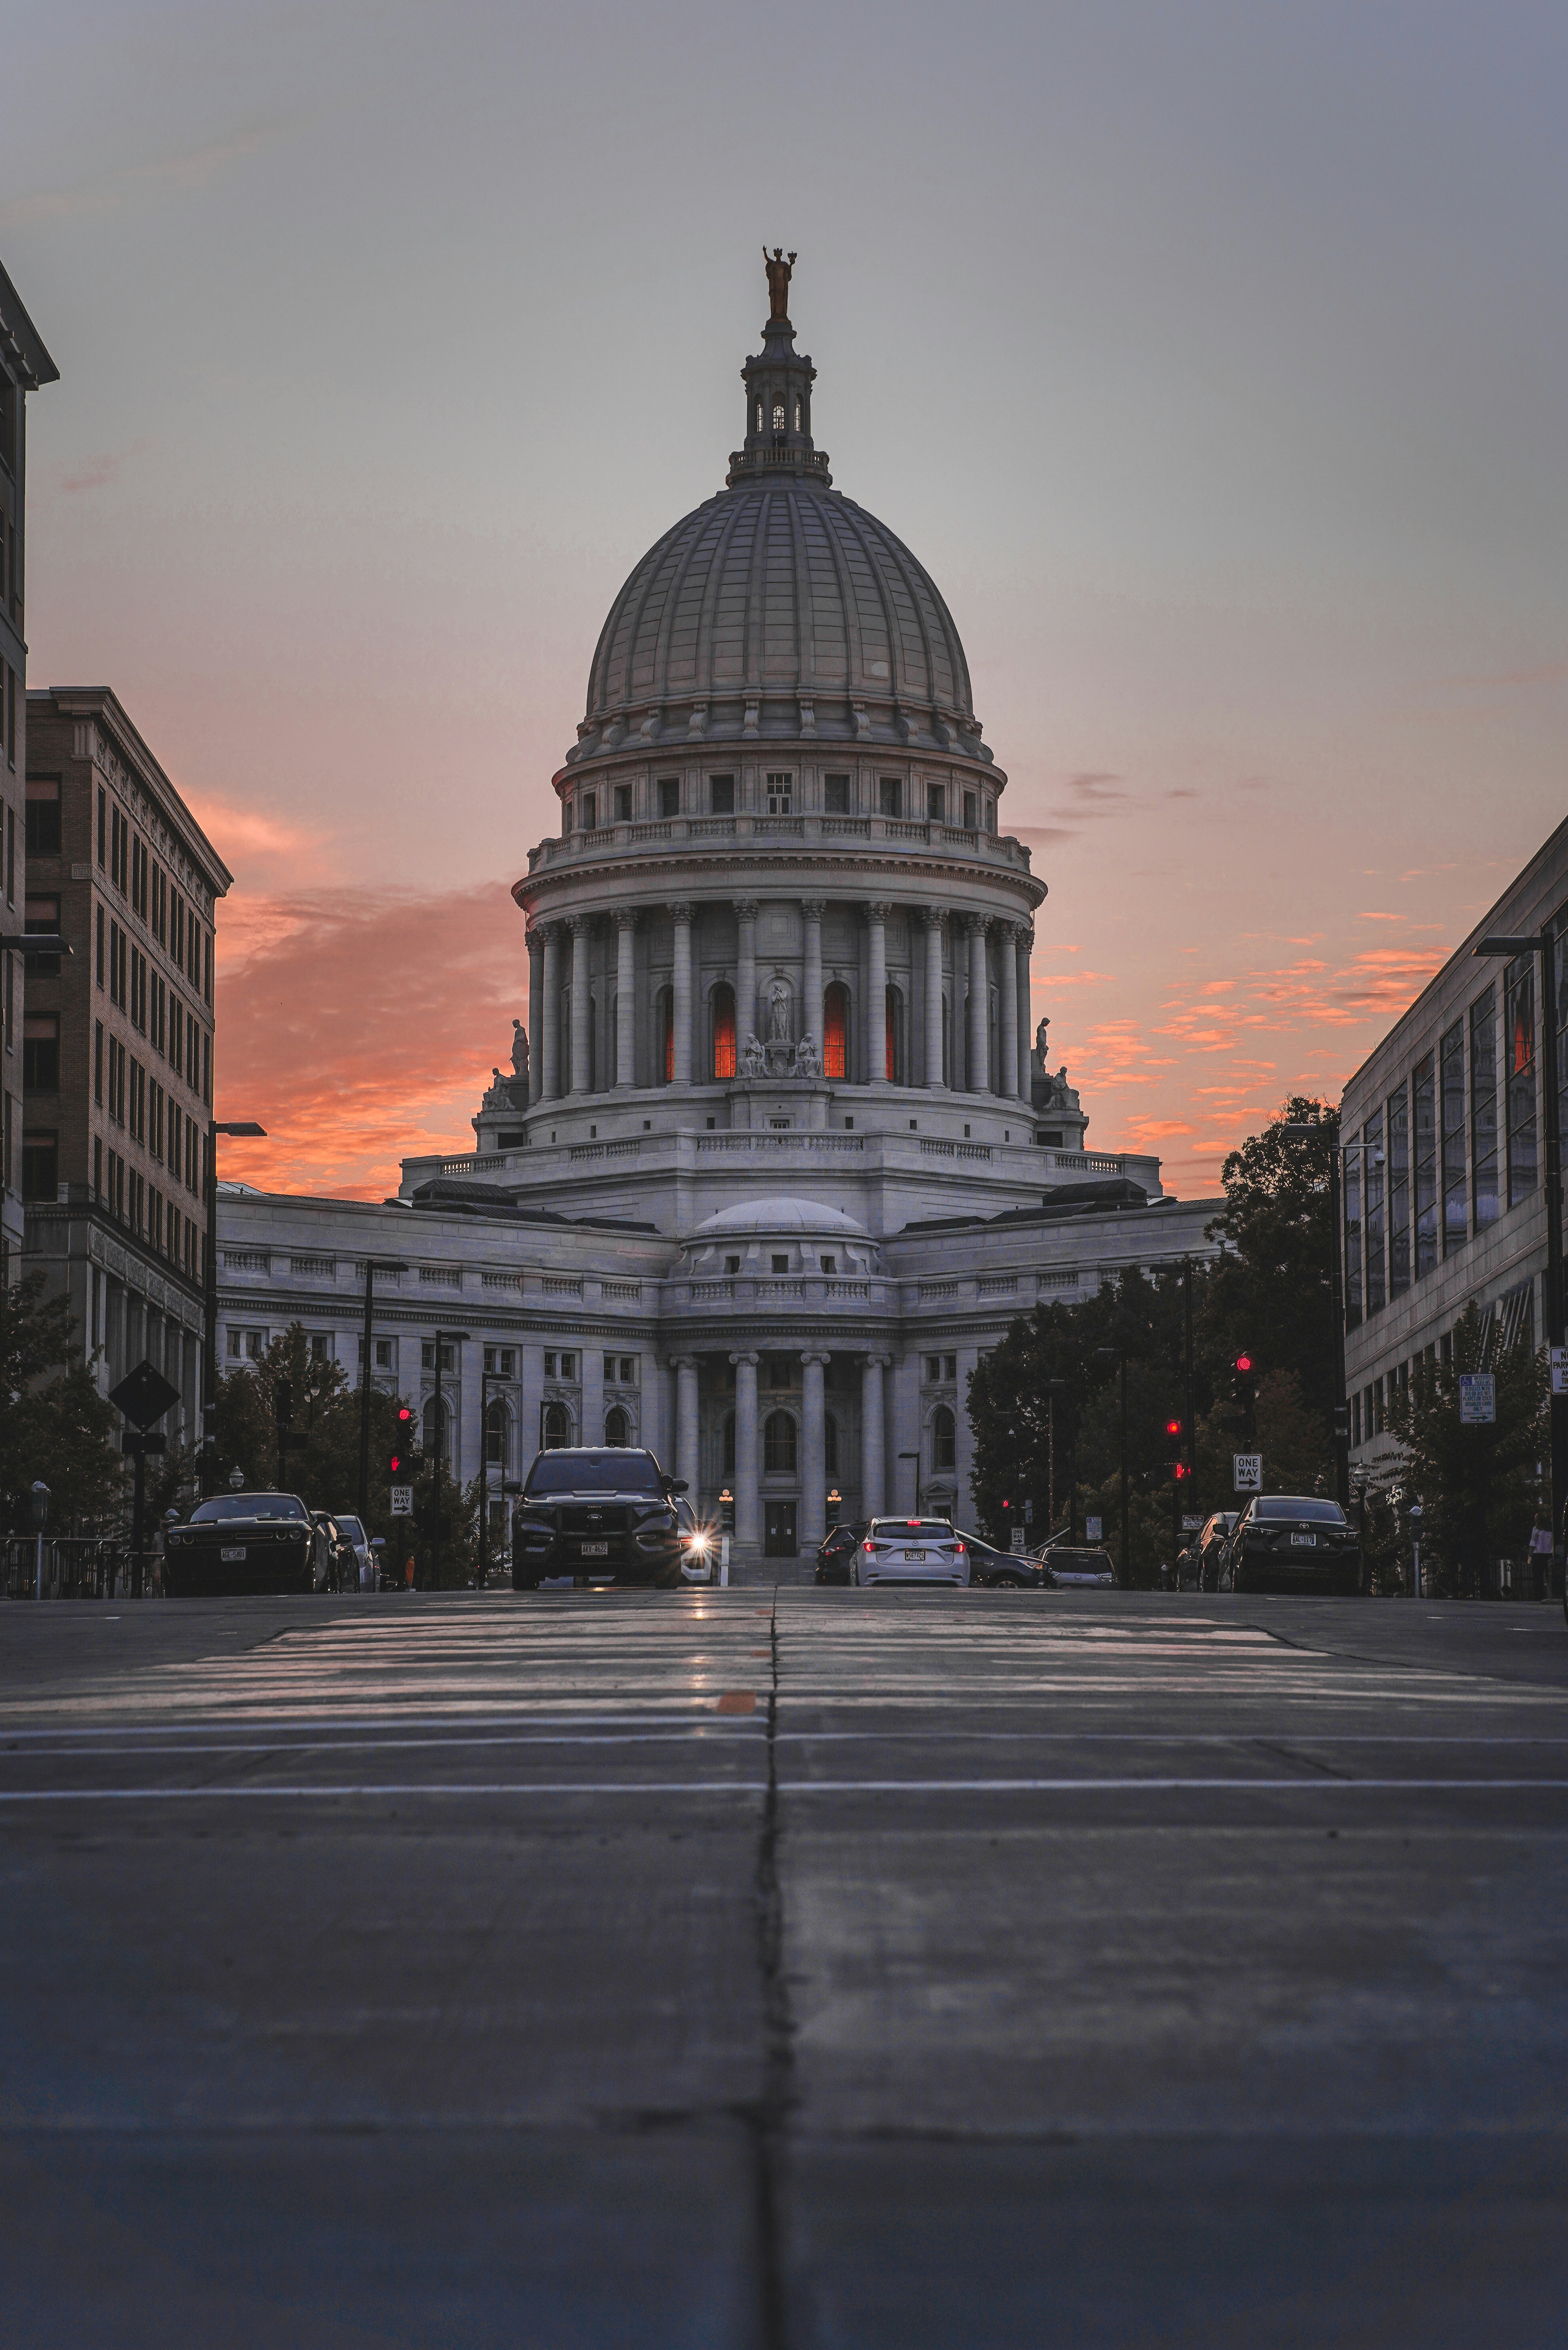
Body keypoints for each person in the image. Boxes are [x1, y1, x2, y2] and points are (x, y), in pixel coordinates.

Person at [1527, 1511, 1553, 1602]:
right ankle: (1547, 1595)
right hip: (1548, 1554)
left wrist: (1530, 1556)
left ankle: (1541, 1596)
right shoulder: (1550, 1530)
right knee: (1547, 1576)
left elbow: (1533, 1543)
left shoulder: (1537, 1529)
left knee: (1540, 1576)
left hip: (1539, 1555)